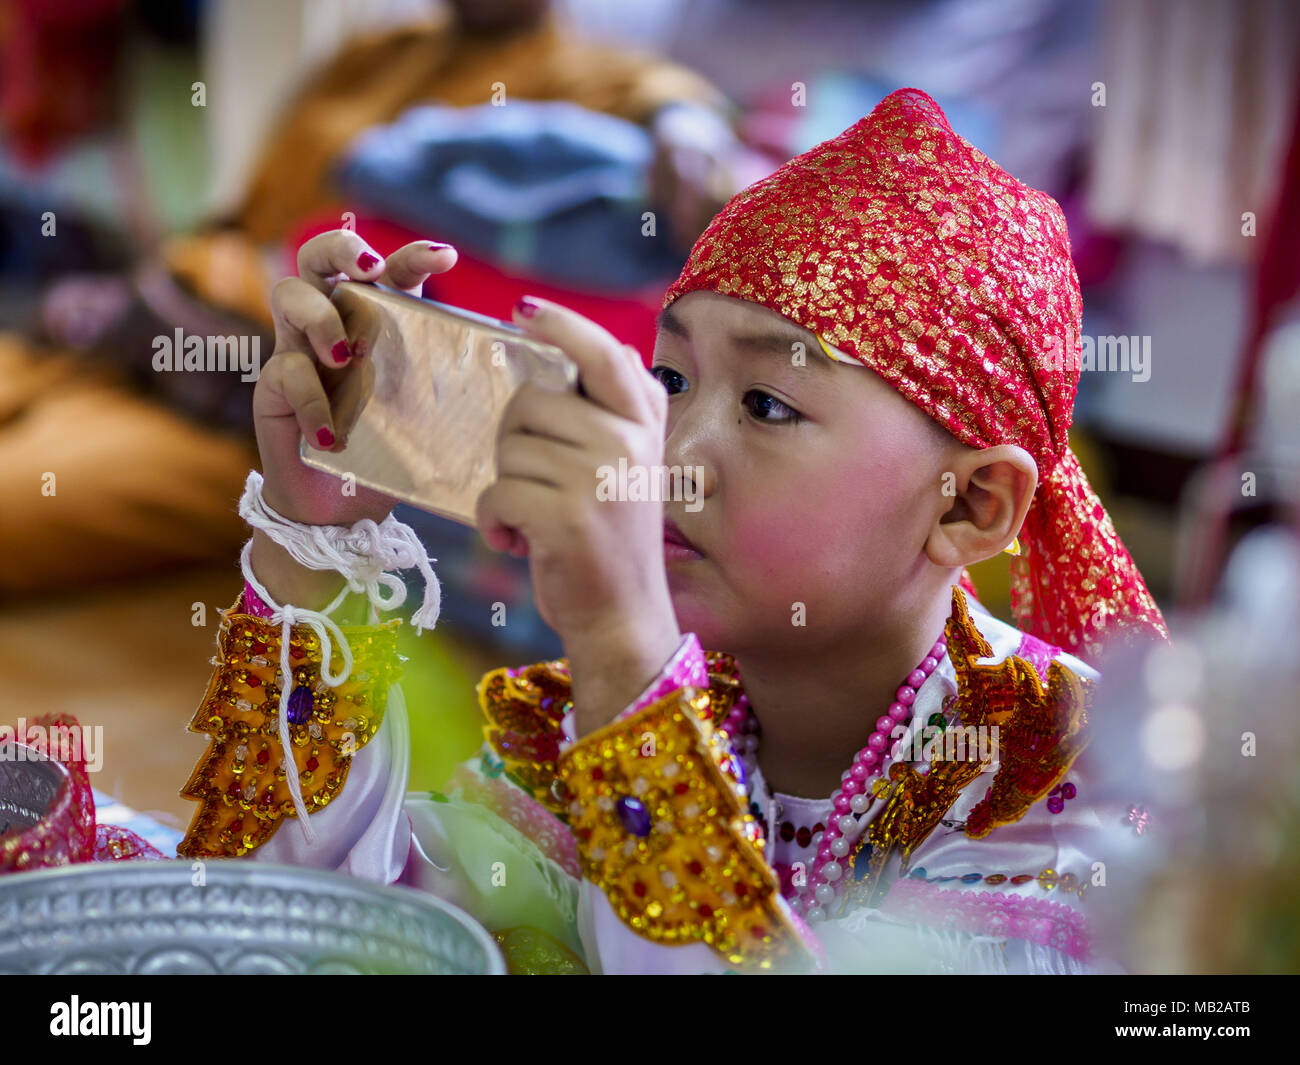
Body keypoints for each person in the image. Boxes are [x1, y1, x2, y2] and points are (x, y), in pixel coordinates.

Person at [176, 89, 1168, 974]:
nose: (672, 453)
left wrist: (623, 656)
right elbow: (314, 938)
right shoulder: (585, 725)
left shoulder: (1054, 804)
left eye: (771, 405)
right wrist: (318, 550)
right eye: (670, 380)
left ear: (968, 506)